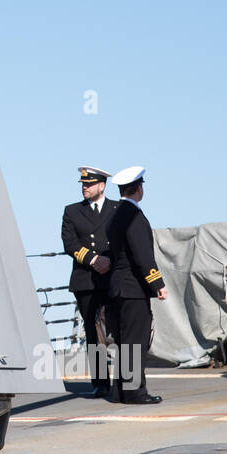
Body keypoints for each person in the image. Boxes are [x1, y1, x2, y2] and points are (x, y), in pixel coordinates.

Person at [105, 166, 167, 404]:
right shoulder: (133, 216)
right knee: (135, 343)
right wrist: (157, 283)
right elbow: (142, 255)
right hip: (133, 288)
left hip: (118, 287)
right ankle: (134, 392)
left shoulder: (115, 214)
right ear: (139, 188)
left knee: (123, 343)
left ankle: (120, 390)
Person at [61, 167, 117, 398]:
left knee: (121, 330)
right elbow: (70, 243)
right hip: (86, 280)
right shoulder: (72, 212)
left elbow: (126, 240)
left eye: (89, 184)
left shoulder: (117, 209)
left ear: (102, 186)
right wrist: (94, 260)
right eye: (83, 184)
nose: (85, 187)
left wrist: (109, 261)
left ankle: (127, 380)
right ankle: (101, 383)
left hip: (113, 278)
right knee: (93, 334)